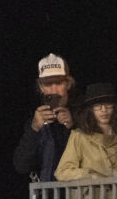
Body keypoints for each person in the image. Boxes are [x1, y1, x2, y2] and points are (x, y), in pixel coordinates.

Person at [13, 53, 77, 183]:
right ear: (41, 88)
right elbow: (21, 166)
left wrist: (74, 126)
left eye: (59, 83)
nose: (54, 90)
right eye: (48, 84)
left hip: (78, 198)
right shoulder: (35, 120)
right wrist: (34, 129)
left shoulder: (83, 113)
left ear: (68, 84)